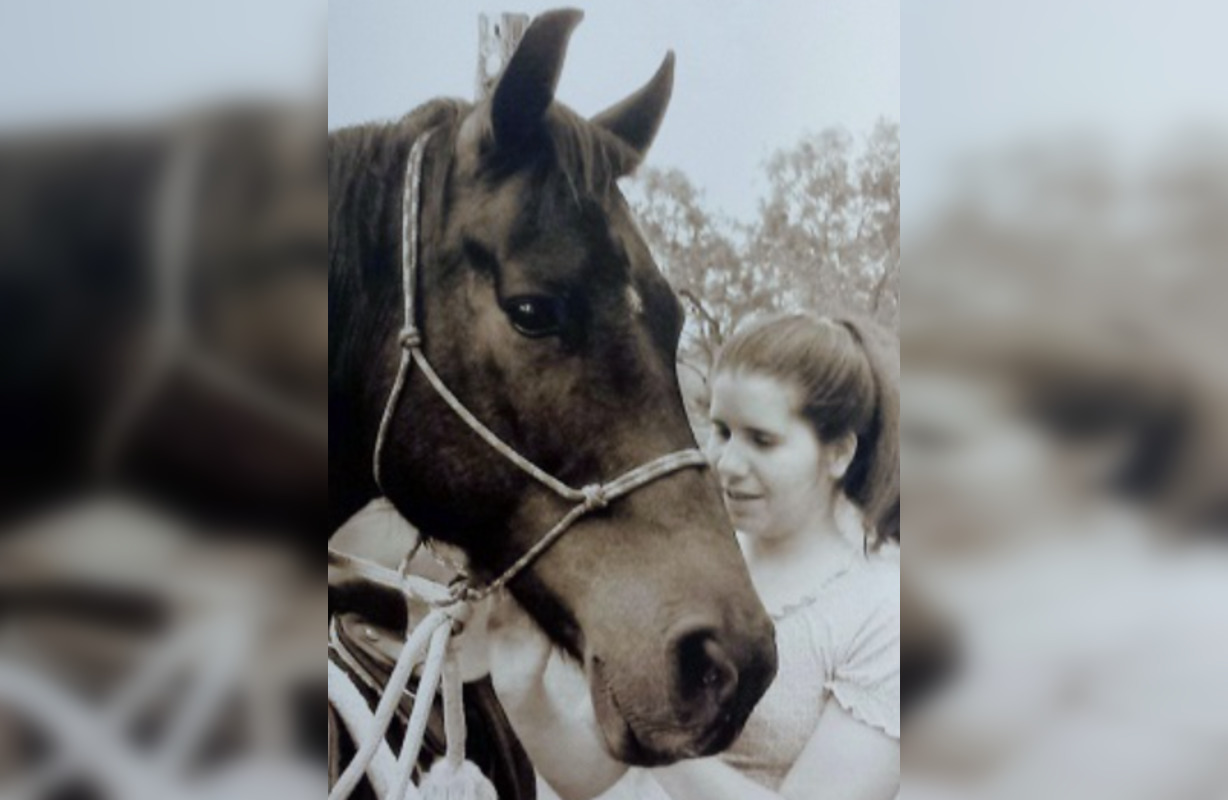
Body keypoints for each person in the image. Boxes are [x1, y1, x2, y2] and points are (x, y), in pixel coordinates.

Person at [487, 313, 901, 800]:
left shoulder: (887, 609)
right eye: (721, 431)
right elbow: (594, 777)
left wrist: (657, 734)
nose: (726, 463)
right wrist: (522, 689)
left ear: (837, 454)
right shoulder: (684, 553)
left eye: (762, 440)